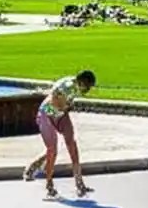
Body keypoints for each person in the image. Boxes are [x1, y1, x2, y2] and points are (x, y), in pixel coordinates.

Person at [23, 70, 98, 198]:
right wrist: (64, 108)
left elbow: (64, 104)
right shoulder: (68, 86)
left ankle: (79, 184)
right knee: (52, 149)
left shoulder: (75, 85)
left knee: (72, 145)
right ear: (82, 82)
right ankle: (49, 185)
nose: (88, 90)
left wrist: (66, 108)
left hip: (59, 112)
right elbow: (57, 100)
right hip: (47, 113)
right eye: (88, 86)